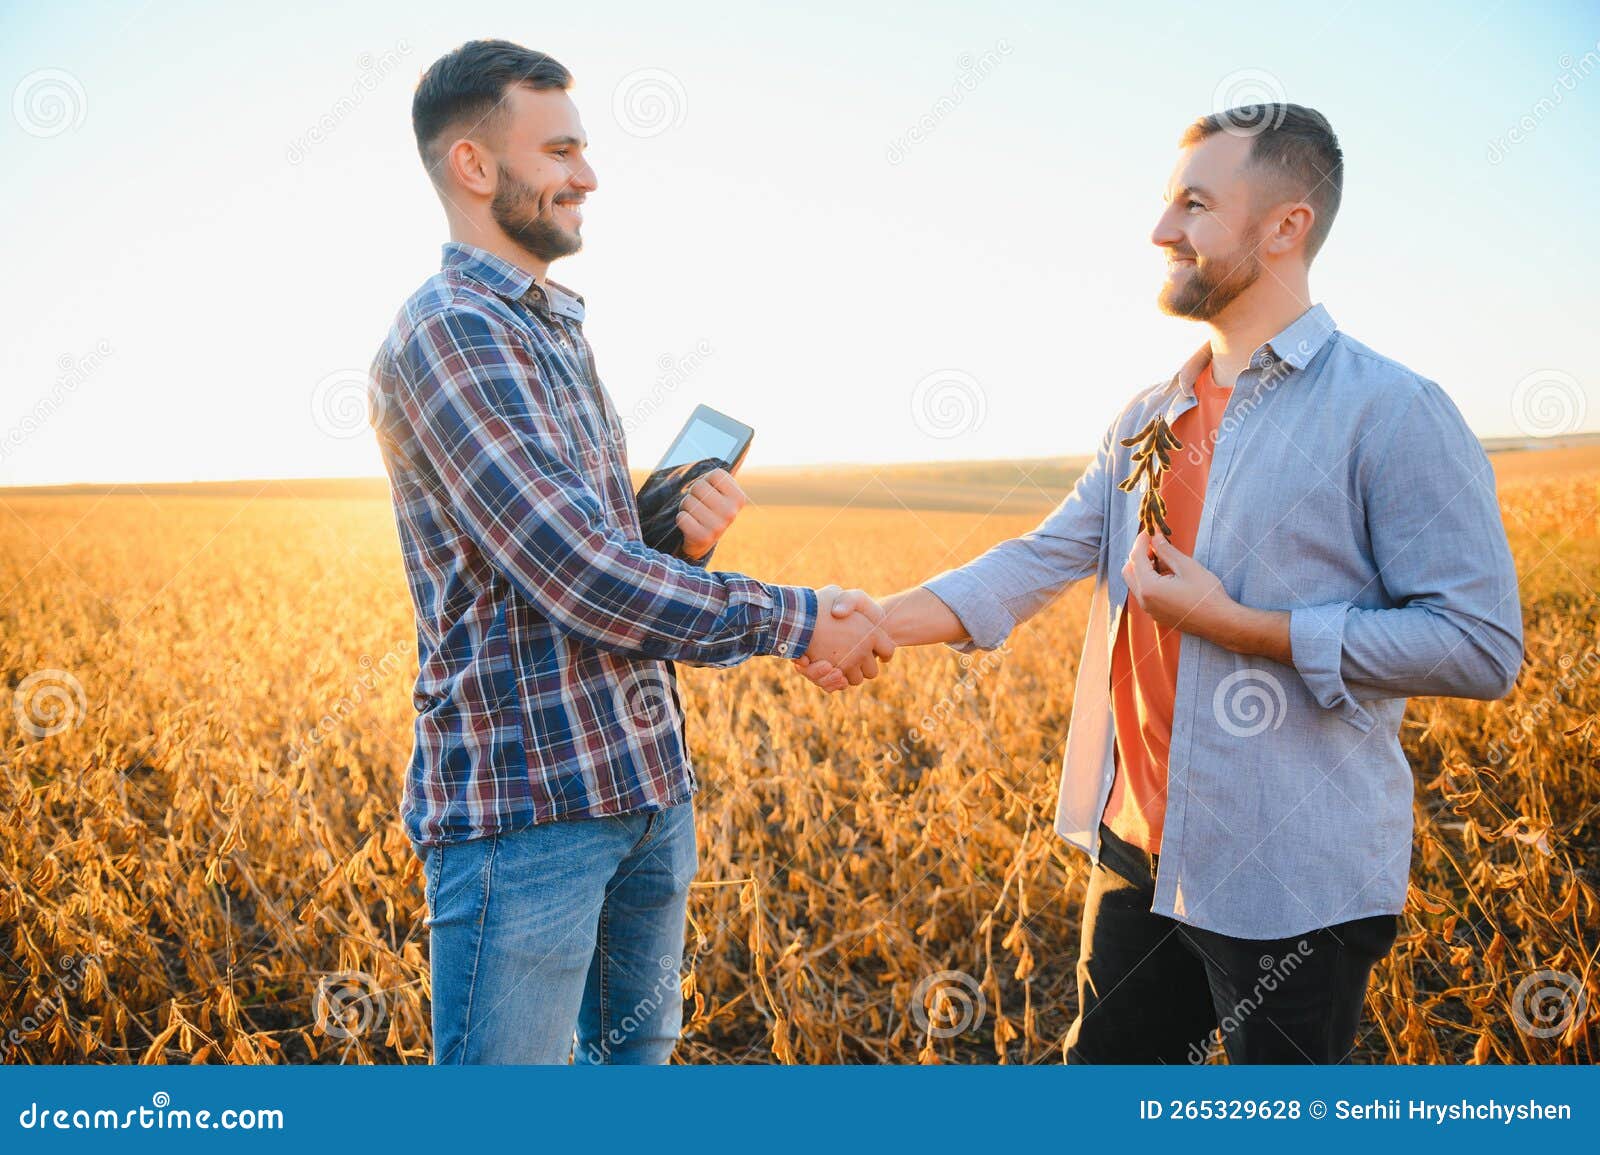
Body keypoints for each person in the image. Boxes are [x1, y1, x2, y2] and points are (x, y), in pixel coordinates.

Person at [799, 103, 1523, 1064]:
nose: (1159, 231)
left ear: (1284, 226)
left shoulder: (1392, 411)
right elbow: (1040, 556)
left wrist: (1243, 623)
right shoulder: (1150, 414)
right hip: (1138, 851)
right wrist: (872, 618)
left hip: (1290, 880)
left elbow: (1480, 643)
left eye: (1193, 204)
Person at [368, 40, 894, 1064]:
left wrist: (672, 537)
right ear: (474, 167)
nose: (587, 175)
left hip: (641, 784)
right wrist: (798, 620)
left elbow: (579, 556)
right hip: (529, 816)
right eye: (559, 149)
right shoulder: (454, 332)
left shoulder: (548, 329)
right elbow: (577, 575)